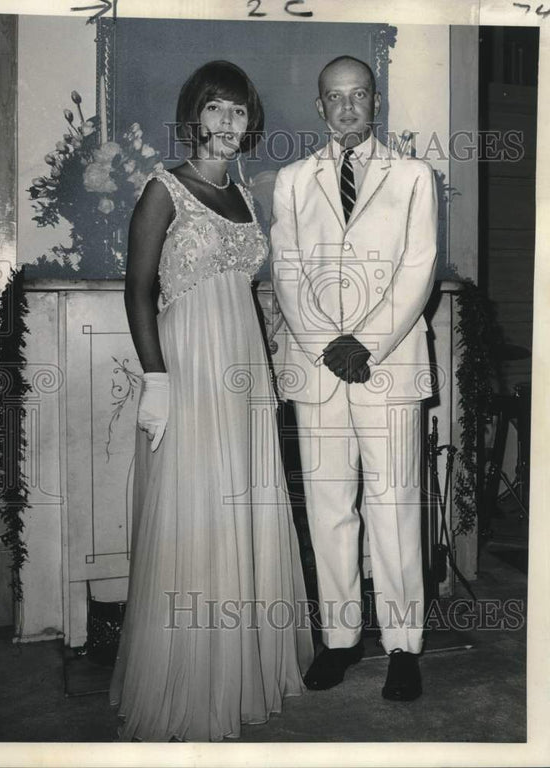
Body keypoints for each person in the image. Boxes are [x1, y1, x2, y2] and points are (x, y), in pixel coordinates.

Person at [109, 60, 313, 742]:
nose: (229, 123)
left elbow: (253, 293)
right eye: (217, 109)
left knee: (247, 510)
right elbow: (137, 290)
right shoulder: (163, 190)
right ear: (194, 116)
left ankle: (241, 663)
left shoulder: (249, 197)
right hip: (189, 369)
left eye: (239, 111)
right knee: (195, 512)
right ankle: (189, 682)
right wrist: (157, 381)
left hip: (243, 373)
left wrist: (278, 359)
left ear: (249, 123)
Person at [270, 55, 438, 701]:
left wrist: (363, 344)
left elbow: (417, 268)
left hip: (387, 367)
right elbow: (287, 271)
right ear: (319, 107)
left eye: (358, 95)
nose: (346, 108)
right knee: (329, 504)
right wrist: (325, 345)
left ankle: (403, 646)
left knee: (394, 504)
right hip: (318, 371)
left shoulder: (414, 176)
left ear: (376, 100)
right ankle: (340, 640)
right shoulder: (289, 181)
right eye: (334, 98)